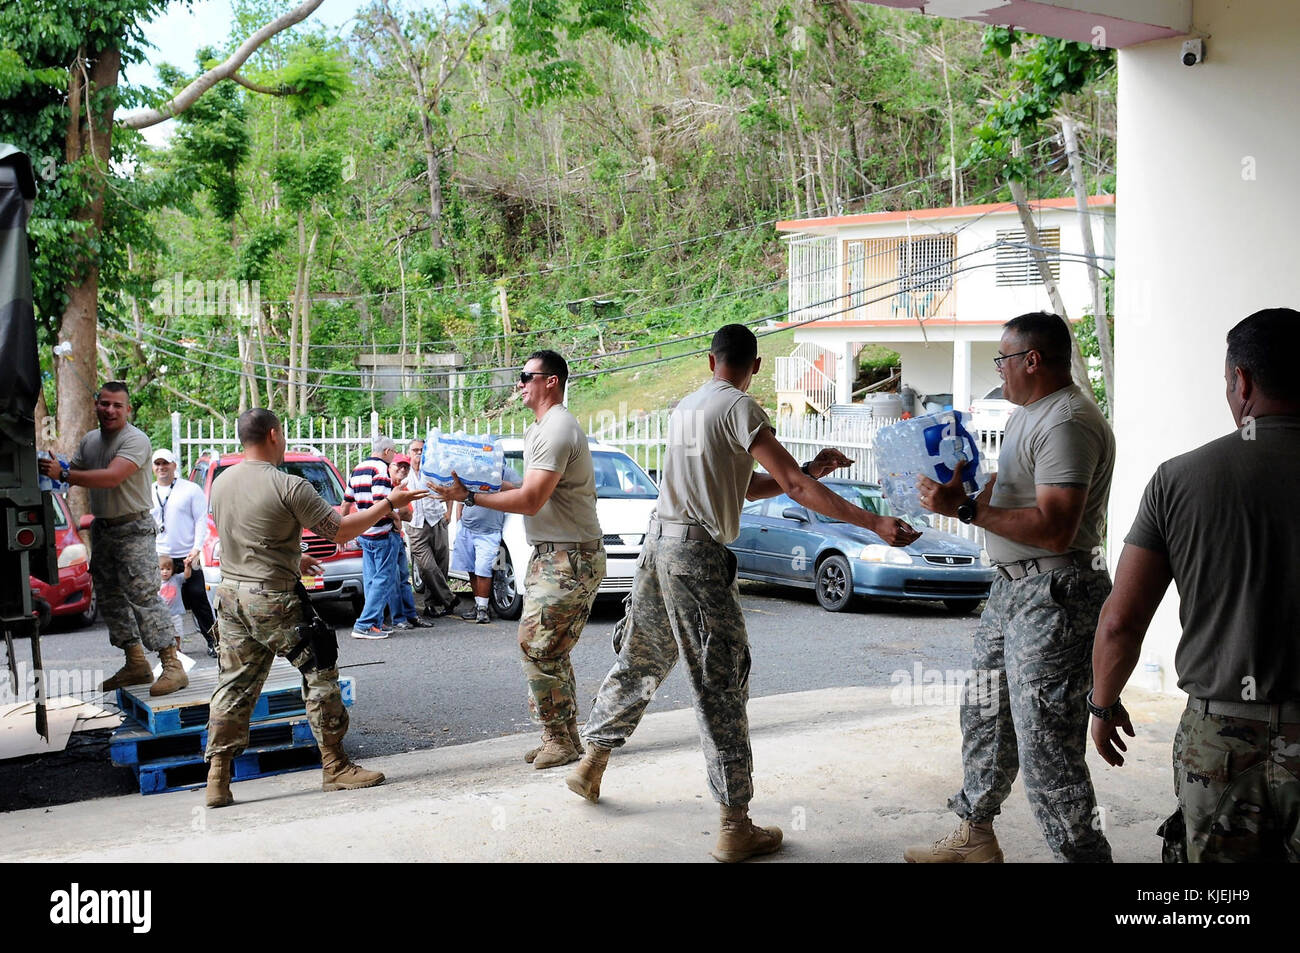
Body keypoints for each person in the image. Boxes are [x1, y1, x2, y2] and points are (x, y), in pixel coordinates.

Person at [564, 324, 921, 863]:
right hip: (695, 558)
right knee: (720, 680)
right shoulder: (741, 409)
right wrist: (873, 522)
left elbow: (743, 486)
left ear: (712, 361)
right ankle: (735, 824)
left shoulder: (688, 407)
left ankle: (591, 762)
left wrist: (807, 470)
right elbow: (795, 490)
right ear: (755, 367)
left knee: (641, 659)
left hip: (657, 547)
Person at [1090, 307, 1300, 862]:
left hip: (1221, 744)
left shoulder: (1180, 480)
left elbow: (1121, 621)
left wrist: (1102, 703)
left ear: (1243, 381)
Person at [907, 311, 1116, 863]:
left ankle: (1083, 856)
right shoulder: (1030, 414)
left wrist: (968, 509)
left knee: (1047, 745)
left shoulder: (1066, 422)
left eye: (1003, 358)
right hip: (1013, 591)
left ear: (1033, 360)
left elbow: (1054, 528)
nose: (998, 369)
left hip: (1055, 596)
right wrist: (965, 492)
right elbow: (1013, 500)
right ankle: (975, 833)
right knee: (984, 711)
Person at [203, 408, 427, 808]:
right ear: (273, 434)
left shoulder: (221, 482)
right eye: (283, 434)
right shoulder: (289, 485)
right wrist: (388, 503)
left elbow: (251, 538)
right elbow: (340, 530)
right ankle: (335, 765)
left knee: (234, 683)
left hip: (231, 595)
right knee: (319, 669)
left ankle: (217, 778)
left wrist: (293, 558)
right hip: (272, 597)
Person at [434, 350, 605, 770]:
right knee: (551, 649)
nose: (520, 384)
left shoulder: (557, 429)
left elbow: (529, 500)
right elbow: (527, 486)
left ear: (551, 381)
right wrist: (479, 480)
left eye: (526, 376)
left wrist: (470, 496)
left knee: (535, 645)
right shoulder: (541, 430)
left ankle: (558, 737)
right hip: (556, 553)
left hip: (570, 555)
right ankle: (565, 737)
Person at [38, 382, 187, 696]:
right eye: (104, 403)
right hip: (104, 529)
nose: (110, 410)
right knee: (110, 599)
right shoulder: (91, 441)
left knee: (144, 597)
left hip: (134, 529)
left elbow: (111, 476)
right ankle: (135, 663)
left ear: (128, 409)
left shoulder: (135, 440)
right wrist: (54, 466)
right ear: (96, 405)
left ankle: (172, 666)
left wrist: (62, 474)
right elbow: (75, 469)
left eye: (117, 405)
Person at [149, 447, 217, 657]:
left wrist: (196, 549)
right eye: (157, 464)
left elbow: (200, 520)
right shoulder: (147, 491)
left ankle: (214, 641)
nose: (161, 468)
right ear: (153, 468)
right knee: (162, 602)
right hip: (161, 557)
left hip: (188, 555)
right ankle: (168, 647)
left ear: (174, 466)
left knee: (198, 597)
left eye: (165, 464)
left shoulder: (189, 490)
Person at [344, 436, 401, 639]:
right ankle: (365, 624)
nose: (394, 457)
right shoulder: (381, 470)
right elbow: (382, 503)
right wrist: (396, 519)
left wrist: (342, 530)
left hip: (364, 532)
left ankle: (374, 622)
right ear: (386, 452)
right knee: (383, 580)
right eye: (393, 452)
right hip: (382, 533)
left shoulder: (358, 468)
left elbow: (346, 501)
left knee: (371, 580)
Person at [451, 464, 521, 625]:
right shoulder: (472, 469)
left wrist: (500, 483)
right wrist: (459, 521)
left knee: (483, 569)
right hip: (467, 528)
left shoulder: (506, 472)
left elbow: (521, 488)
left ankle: (483, 608)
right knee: (471, 568)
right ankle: (479, 605)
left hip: (489, 531)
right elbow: (460, 496)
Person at [405, 436, 459, 618]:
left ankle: (431, 604)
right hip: (415, 524)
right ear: (408, 453)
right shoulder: (404, 473)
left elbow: (450, 489)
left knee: (441, 563)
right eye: (415, 450)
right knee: (427, 566)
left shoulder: (435, 470)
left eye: (422, 450)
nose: (419, 453)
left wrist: (449, 513)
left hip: (437, 519)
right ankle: (450, 598)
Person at [385, 454, 433, 631]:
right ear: (390, 466)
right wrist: (396, 515)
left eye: (406, 467)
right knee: (393, 578)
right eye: (399, 465)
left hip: (397, 536)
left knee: (404, 579)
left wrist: (395, 515)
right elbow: (379, 506)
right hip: (383, 537)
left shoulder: (402, 488)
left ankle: (411, 615)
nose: (403, 469)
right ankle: (398, 618)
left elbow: (408, 514)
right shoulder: (384, 484)